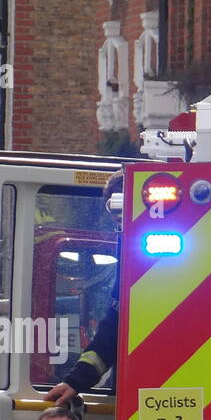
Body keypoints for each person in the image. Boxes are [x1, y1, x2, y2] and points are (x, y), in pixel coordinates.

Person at [45, 171, 122, 407]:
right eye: (115, 216)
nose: (118, 223)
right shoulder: (132, 253)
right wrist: (75, 382)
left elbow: (114, 328)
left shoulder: (141, 255)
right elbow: (114, 330)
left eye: (120, 214)